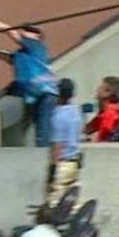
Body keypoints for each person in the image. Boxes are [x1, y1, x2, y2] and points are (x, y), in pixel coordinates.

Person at [0, 13, 58, 148]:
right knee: (36, 133)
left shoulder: (37, 46)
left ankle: (47, 161)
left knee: (42, 134)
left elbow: (10, 32)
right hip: (33, 96)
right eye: (25, 29)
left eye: (30, 30)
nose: (25, 31)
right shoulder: (20, 55)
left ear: (38, 36)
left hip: (46, 94)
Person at [47, 78, 83, 206]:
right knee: (71, 204)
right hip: (75, 161)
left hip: (63, 164)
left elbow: (57, 145)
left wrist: (52, 170)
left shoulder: (58, 117)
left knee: (54, 204)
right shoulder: (76, 112)